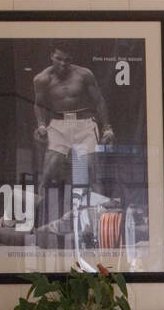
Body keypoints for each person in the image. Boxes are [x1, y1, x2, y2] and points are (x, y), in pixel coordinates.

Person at [33, 46, 115, 230]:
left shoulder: (84, 74)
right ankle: (35, 222)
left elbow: (99, 100)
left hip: (84, 124)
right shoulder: (41, 79)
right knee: (47, 175)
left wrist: (107, 128)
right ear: (51, 56)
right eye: (59, 59)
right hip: (58, 125)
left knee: (92, 173)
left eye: (67, 60)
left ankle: (100, 226)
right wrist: (40, 125)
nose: (63, 64)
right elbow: (38, 104)